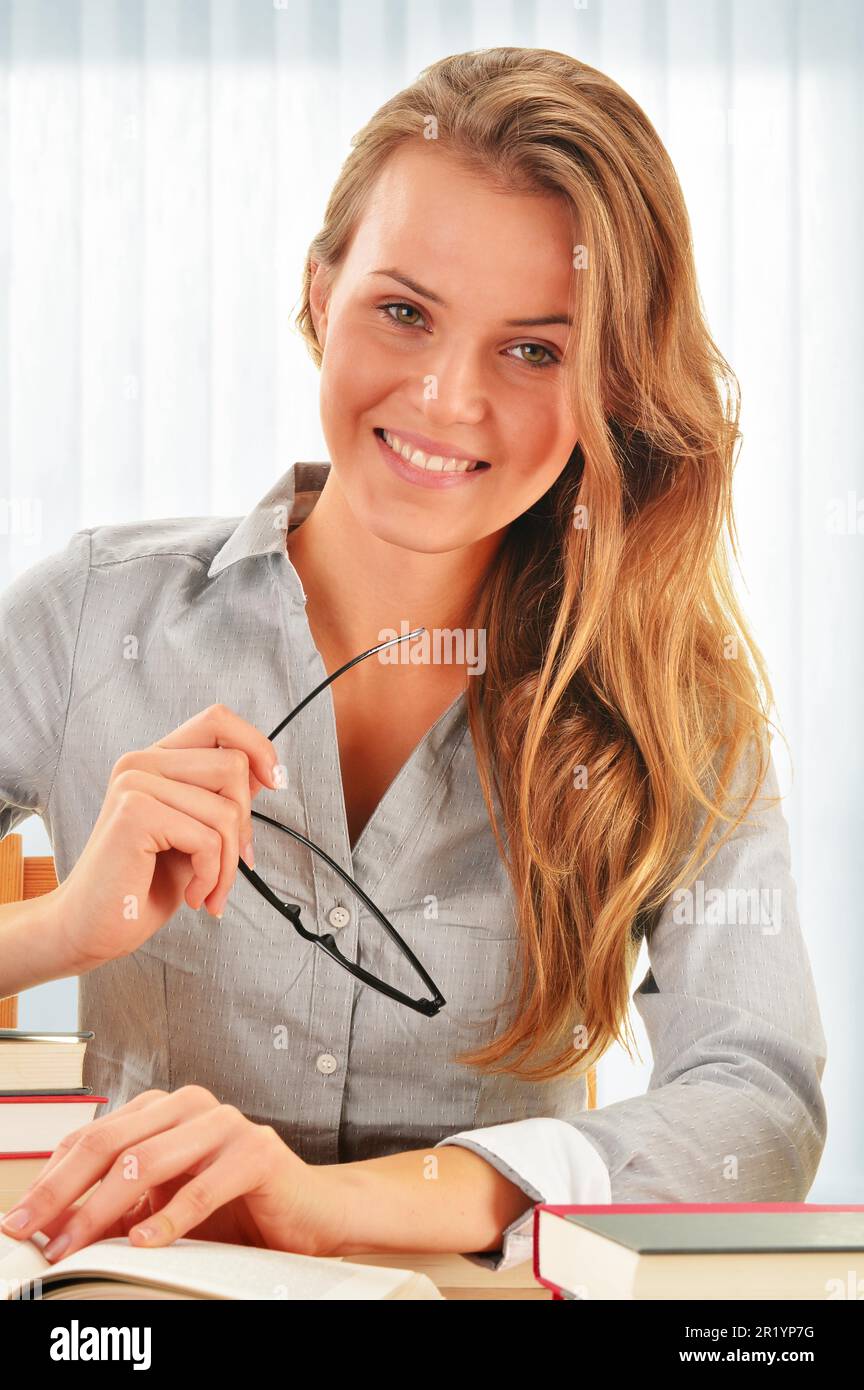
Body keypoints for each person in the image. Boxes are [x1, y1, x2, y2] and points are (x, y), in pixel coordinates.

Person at [0, 47, 826, 1273]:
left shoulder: (672, 706)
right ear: (319, 290)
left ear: (609, 381)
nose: (445, 398)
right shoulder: (87, 616)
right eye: (404, 311)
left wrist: (346, 1203)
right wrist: (63, 929)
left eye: (536, 350)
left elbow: (759, 1102)